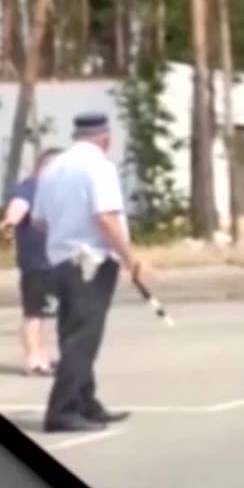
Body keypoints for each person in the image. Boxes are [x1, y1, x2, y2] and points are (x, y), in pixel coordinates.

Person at [31, 112, 154, 433]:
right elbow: (106, 218)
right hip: (91, 261)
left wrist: (66, 232)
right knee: (82, 339)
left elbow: (38, 221)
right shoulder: (99, 166)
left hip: (59, 260)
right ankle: (62, 410)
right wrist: (131, 259)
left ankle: (86, 402)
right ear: (105, 137)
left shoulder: (52, 168)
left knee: (72, 333)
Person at [0, 148, 65, 375]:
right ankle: (33, 360)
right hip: (35, 263)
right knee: (34, 313)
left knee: (44, 312)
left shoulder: (53, 190)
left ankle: (43, 356)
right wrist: (9, 223)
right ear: (42, 167)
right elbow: (17, 209)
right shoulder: (30, 187)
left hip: (51, 261)